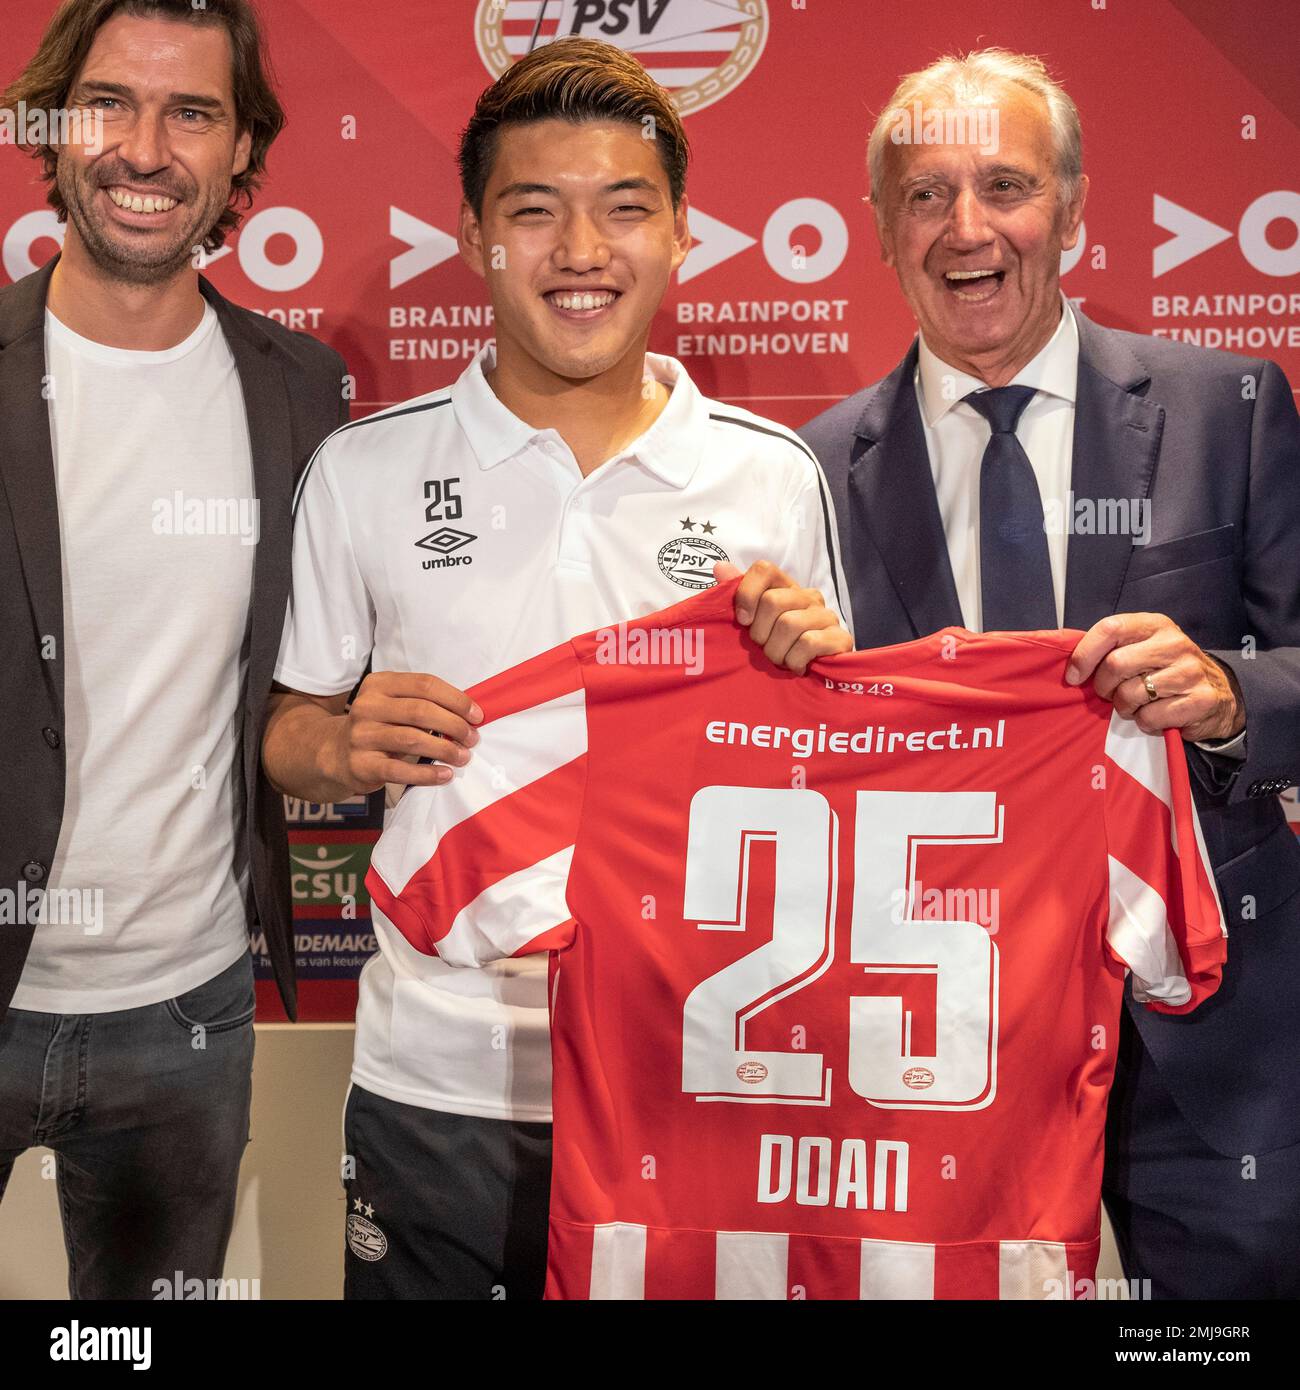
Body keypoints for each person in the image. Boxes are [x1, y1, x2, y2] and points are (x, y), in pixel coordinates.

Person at [262, 36, 852, 1300]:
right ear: (475, 234)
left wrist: (824, 684)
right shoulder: (363, 471)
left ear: (683, 235)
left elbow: (834, 773)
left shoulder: (771, 474)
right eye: (535, 211)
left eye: (623, 208)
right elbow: (288, 732)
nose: (580, 251)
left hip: (697, 1071)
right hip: (438, 1083)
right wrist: (344, 739)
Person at [799, 47, 1300, 1300]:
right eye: (924, 194)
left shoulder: (1226, 405)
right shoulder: (803, 469)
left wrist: (1235, 695)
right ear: (878, 227)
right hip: (933, 1037)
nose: (967, 229)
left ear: (1072, 211)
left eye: (1006, 187)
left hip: (1208, 1030)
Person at [0, 0, 348, 1299]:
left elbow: (316, 675)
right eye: (109, 104)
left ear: (242, 144)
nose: (144, 149)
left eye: (191, 110)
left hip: (186, 1010)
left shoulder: (301, 390)